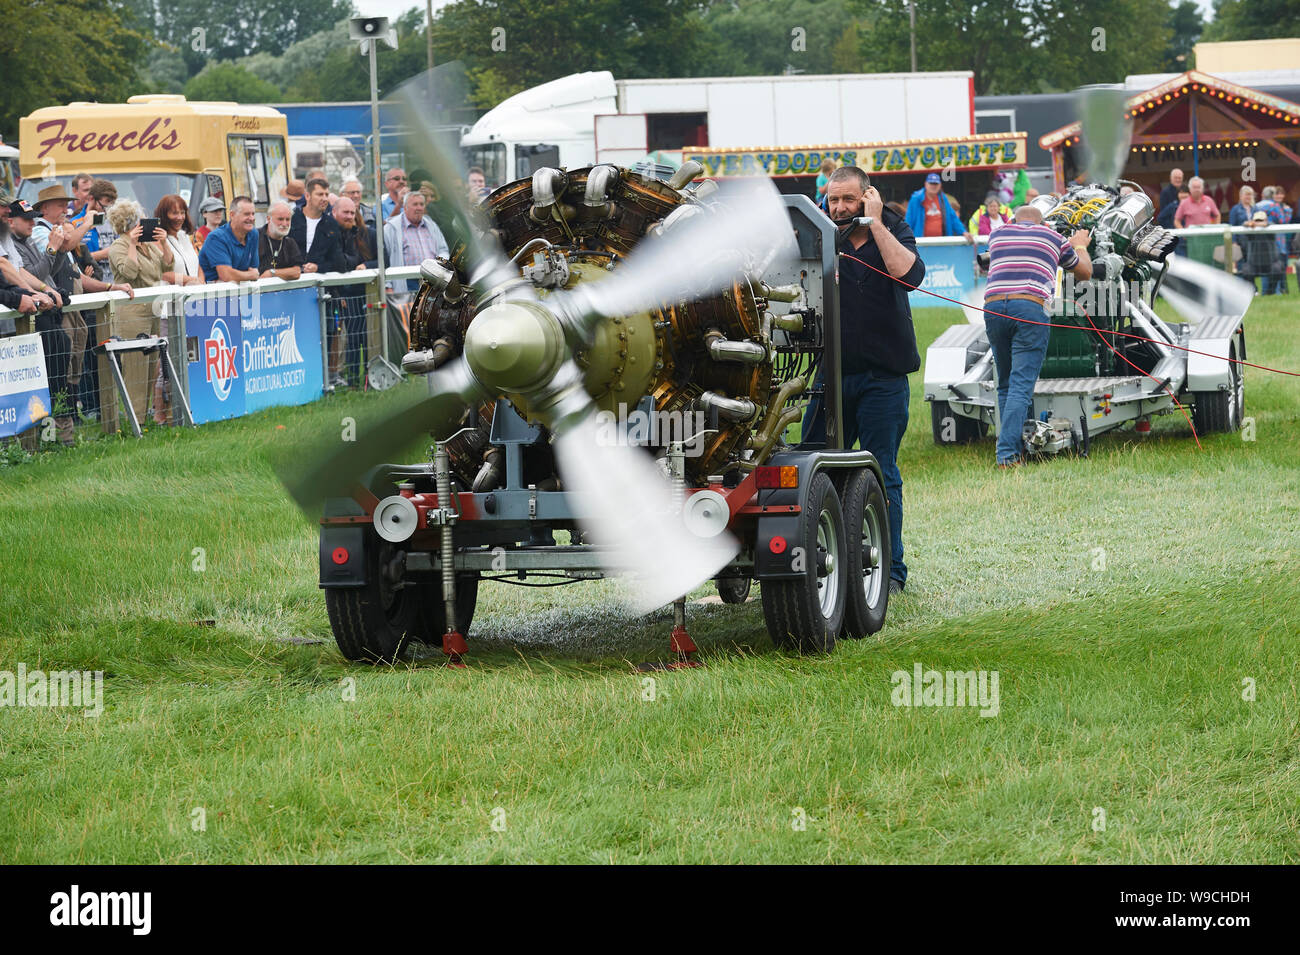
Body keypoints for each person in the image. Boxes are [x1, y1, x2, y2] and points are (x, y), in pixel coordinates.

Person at [804, 166, 924, 596]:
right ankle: (817, 564)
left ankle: (890, 571)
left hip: (883, 377)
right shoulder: (816, 229)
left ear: (867, 195)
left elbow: (908, 275)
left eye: (848, 200)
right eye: (833, 200)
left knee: (881, 471)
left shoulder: (891, 225)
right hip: (829, 376)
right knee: (809, 466)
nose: (839, 208)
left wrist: (874, 223)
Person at [983, 205, 1092, 468]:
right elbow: (1085, 273)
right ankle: (1007, 455)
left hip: (993, 307)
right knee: (1021, 384)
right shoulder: (1052, 237)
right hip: (1030, 307)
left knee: (1006, 383)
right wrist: (1079, 245)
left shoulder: (997, 234)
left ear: (1013, 219)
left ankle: (1017, 445)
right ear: (1042, 222)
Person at [106, 199, 173, 432]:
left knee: (151, 364)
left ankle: (144, 418)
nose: (142, 224)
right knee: (135, 365)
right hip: (132, 312)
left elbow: (167, 266)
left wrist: (163, 242)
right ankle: (135, 421)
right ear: (127, 224)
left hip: (152, 309)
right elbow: (129, 271)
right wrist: (133, 245)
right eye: (137, 220)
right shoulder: (118, 246)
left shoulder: (150, 244)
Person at [333, 196, 378, 388]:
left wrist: (365, 265)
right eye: (347, 212)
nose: (351, 216)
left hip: (369, 293)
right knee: (352, 339)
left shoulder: (370, 234)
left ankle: (370, 379)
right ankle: (352, 381)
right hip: (346, 295)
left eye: (353, 212)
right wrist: (338, 294)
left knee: (369, 337)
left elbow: (384, 260)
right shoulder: (334, 235)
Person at [383, 190, 449, 299]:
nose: (419, 208)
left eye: (421, 204)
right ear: (405, 207)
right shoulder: (391, 229)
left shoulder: (431, 225)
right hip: (406, 284)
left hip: (432, 282)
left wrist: (440, 267)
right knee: (408, 315)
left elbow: (443, 249)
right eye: (415, 204)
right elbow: (385, 259)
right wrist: (388, 285)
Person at [290, 177, 345, 275]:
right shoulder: (291, 219)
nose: (324, 199)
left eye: (326, 195)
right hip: (290, 280)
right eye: (320, 194)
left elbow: (337, 261)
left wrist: (318, 268)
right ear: (307, 196)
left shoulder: (331, 224)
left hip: (320, 284)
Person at [198, 197, 259, 283]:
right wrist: (250, 275)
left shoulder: (253, 234)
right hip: (213, 293)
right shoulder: (216, 237)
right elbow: (226, 276)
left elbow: (253, 268)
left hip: (239, 290)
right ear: (232, 215)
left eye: (253, 214)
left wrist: (248, 275)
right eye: (246, 214)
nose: (252, 218)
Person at [906, 172, 972, 242]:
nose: (933, 186)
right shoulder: (916, 199)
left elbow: (952, 217)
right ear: (925, 184)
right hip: (921, 242)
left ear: (940, 185)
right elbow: (909, 219)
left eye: (936, 184)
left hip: (941, 242)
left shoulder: (943, 199)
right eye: (931, 183)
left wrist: (963, 232)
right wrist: (906, 238)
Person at [1240, 210, 1285, 295]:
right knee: (1246, 270)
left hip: (1270, 263)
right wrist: (1249, 224)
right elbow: (1244, 224)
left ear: (1265, 220)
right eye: (1257, 220)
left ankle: (1270, 291)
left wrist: (1255, 224)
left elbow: (1269, 224)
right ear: (1253, 220)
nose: (1259, 222)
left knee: (1278, 268)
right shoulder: (1249, 230)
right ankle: (1254, 291)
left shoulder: (1270, 227)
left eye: (1261, 220)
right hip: (1254, 264)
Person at [259, 201, 304, 280]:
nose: (284, 224)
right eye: (280, 219)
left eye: (287, 219)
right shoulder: (255, 238)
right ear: (269, 219)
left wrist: (272, 273)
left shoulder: (290, 242)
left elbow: (297, 271)